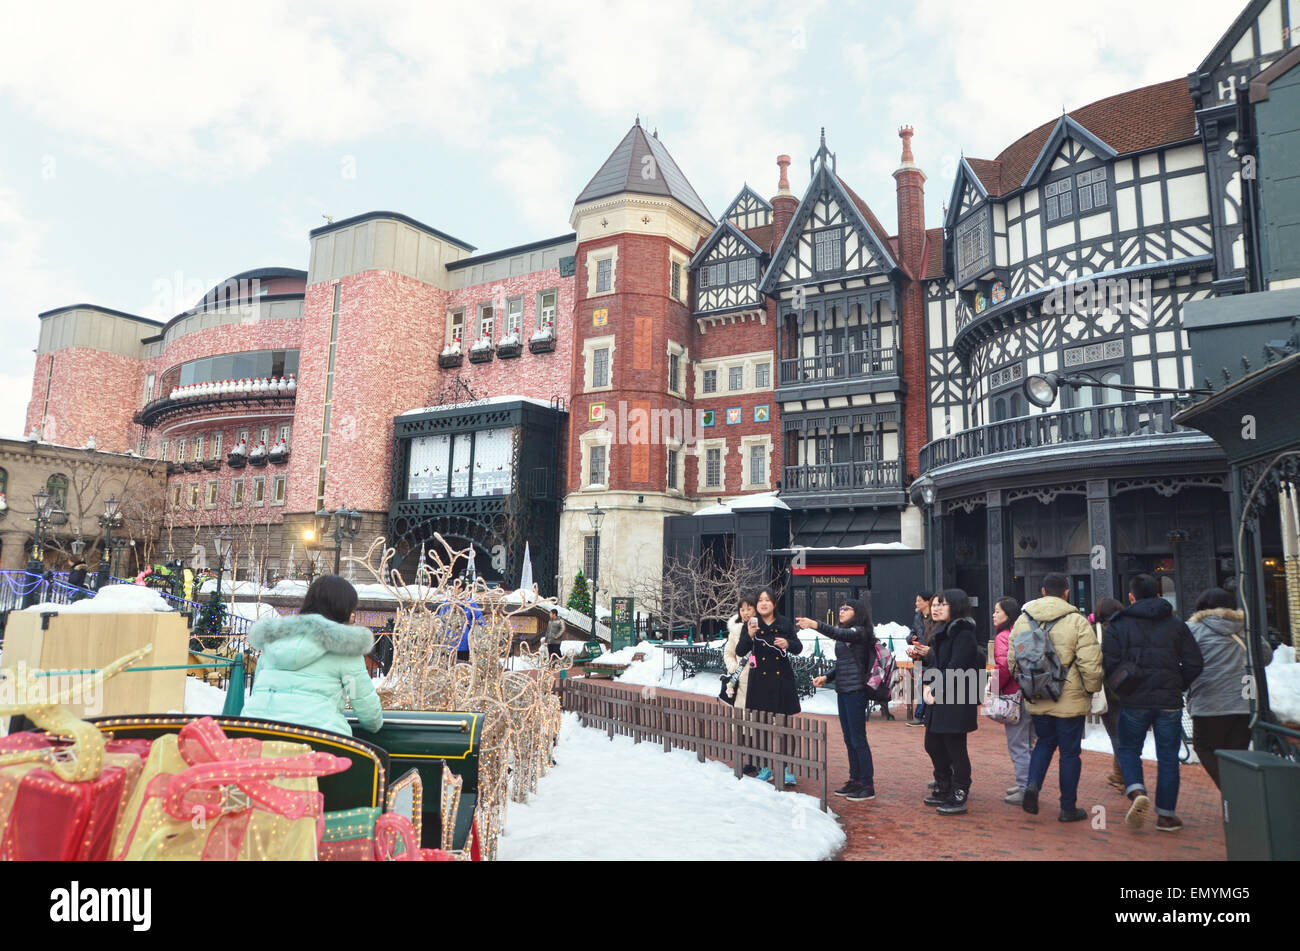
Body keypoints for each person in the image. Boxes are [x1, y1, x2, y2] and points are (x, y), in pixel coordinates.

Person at [1103, 573, 1204, 832]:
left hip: (1134, 700)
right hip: (1169, 701)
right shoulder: (1176, 624)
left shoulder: (1118, 624)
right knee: (1168, 757)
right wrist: (1177, 683)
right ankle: (1166, 815)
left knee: (1128, 749)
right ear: (1158, 594)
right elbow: (1194, 662)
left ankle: (1137, 791)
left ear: (1131, 596)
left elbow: (1109, 664)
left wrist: (1124, 687)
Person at [1007, 573, 1104, 822]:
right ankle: (1067, 808)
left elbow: (1012, 659)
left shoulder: (1022, 620)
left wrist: (1026, 683)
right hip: (1069, 698)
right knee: (1070, 753)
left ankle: (1032, 786)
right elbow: (1090, 663)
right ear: (1067, 593)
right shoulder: (1077, 621)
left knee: (1044, 743)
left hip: (1037, 695)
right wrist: (1091, 689)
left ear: (1042, 591)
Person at [243, 575, 384, 737]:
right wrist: (375, 724)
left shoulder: (274, 641)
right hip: (317, 740)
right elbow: (368, 711)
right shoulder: (345, 647)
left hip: (256, 734)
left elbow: (257, 691)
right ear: (344, 609)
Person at [1186, 587, 1268, 790]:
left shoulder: (1193, 629)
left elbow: (1182, 660)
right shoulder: (1245, 628)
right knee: (1236, 755)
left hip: (1208, 702)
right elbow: (1265, 656)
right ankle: (1238, 798)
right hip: (1245, 703)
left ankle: (1234, 794)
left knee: (1203, 747)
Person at [801, 599, 876, 801]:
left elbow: (838, 633)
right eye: (840, 608)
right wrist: (827, 676)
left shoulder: (859, 632)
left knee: (858, 738)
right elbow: (843, 663)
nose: (841, 611)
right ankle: (855, 780)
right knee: (849, 738)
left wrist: (815, 624)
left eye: (846, 609)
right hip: (843, 690)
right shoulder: (847, 635)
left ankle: (867, 784)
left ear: (857, 612)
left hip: (856, 691)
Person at [917, 589, 981, 814]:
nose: (936, 608)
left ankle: (960, 790)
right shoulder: (941, 631)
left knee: (955, 747)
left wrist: (934, 688)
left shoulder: (963, 633)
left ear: (956, 606)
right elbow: (937, 663)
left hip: (957, 698)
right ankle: (944, 784)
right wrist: (927, 683)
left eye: (942, 604)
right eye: (934, 604)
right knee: (933, 743)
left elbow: (956, 667)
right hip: (941, 695)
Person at [735, 585, 803, 785]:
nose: (764, 603)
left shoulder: (784, 623)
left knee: (785, 727)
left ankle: (786, 768)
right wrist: (749, 634)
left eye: (767, 600)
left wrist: (788, 644)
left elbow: (798, 647)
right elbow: (740, 651)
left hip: (783, 681)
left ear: (774, 603)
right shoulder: (751, 624)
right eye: (760, 600)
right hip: (760, 682)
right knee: (761, 727)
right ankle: (764, 767)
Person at [991, 597, 1033, 804]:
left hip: (1014, 695)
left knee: (1018, 744)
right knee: (1029, 743)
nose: (994, 615)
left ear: (1007, 615)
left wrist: (993, 689)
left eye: (997, 611)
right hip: (1033, 692)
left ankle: (1026, 788)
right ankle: (1029, 784)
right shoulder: (1025, 632)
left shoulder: (1003, 637)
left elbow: (1003, 667)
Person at [1090, 597, 1126, 790]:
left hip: (1108, 691)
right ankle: (1121, 772)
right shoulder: (1128, 628)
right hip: (1130, 688)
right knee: (1125, 734)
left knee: (1116, 734)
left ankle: (1124, 775)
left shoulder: (1097, 632)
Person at [724, 593, 759, 776]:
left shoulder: (763, 628)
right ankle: (751, 760)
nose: (745, 613)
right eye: (742, 609)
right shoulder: (736, 630)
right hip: (742, 682)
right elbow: (728, 653)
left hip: (761, 681)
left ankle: (762, 761)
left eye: (749, 608)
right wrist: (734, 668)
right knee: (744, 723)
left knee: (759, 723)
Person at [905, 591, 933, 725]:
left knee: (928, 684)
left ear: (927, 602)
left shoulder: (936, 618)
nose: (916, 604)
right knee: (925, 685)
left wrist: (931, 650)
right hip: (920, 657)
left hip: (933, 656)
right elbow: (912, 632)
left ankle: (919, 715)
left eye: (919, 601)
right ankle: (923, 715)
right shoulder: (917, 617)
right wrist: (911, 639)